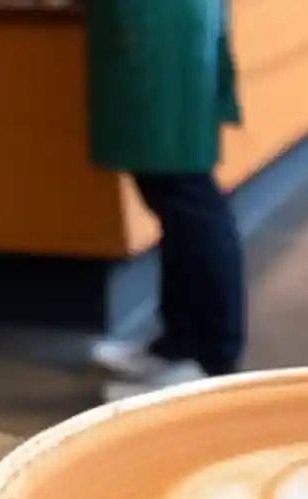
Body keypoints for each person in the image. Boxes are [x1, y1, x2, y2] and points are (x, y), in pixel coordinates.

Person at [86, 0, 245, 398]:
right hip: (155, 26)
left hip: (165, 29)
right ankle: (178, 344)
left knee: (187, 196)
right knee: (172, 199)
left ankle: (211, 359)